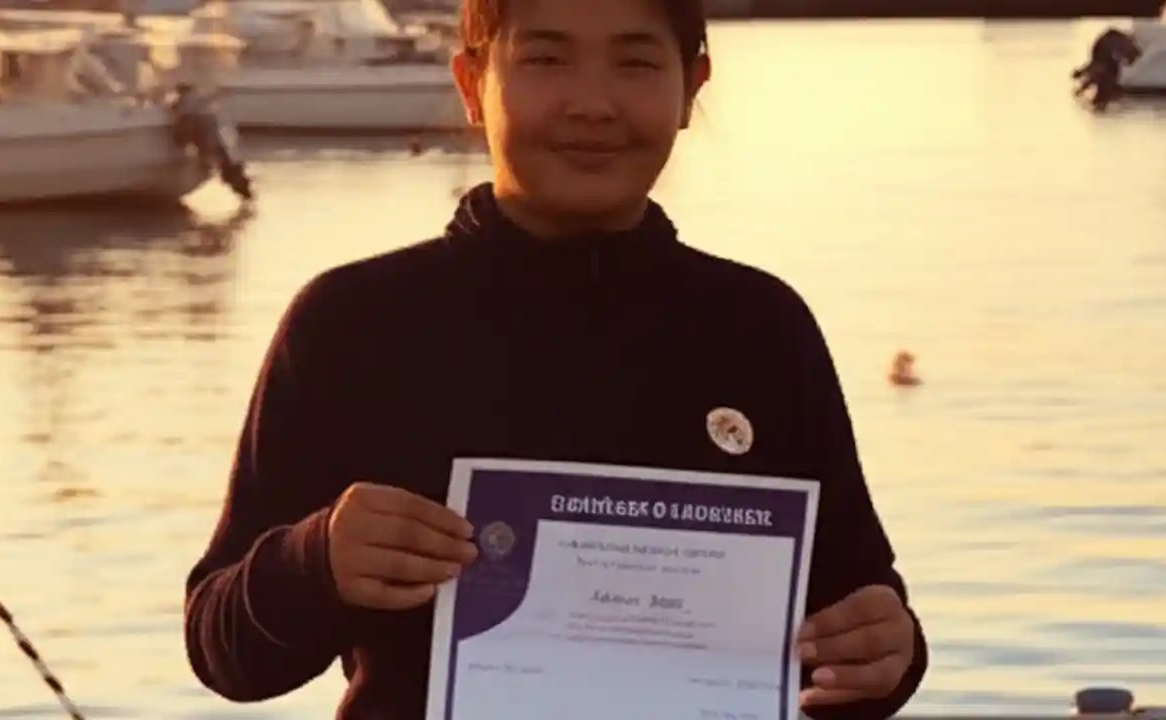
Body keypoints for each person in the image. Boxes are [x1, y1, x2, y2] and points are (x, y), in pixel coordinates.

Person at [182, 0, 929, 717]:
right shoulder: (352, 323)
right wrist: (315, 562)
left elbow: (856, 614)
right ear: (473, 85)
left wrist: (887, 655)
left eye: (635, 63)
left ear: (689, 89)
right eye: (545, 58)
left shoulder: (763, 328)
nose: (592, 103)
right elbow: (224, 652)